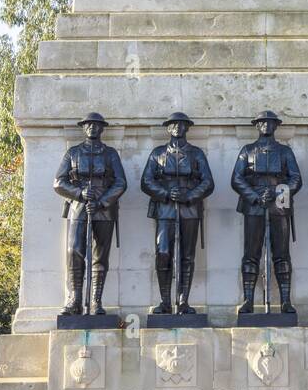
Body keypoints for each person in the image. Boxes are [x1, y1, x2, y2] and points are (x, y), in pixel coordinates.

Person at [54, 112, 127, 316]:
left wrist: (103, 201)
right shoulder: (73, 153)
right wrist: (79, 193)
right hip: (79, 207)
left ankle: (96, 301)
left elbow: (121, 182)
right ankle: (75, 299)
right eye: (89, 125)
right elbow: (59, 182)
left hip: (104, 209)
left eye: (96, 125)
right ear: (84, 128)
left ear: (102, 128)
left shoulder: (110, 153)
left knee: (100, 256)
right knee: (74, 250)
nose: (92, 128)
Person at [140, 112, 214, 315]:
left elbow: (208, 182)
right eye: (173, 125)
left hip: (189, 209)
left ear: (187, 128)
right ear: (168, 128)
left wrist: (190, 195)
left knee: (187, 256)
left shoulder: (196, 153)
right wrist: (165, 193)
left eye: (181, 125)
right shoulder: (158, 153)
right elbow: (146, 181)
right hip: (165, 209)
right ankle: (165, 301)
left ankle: (183, 301)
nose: (177, 128)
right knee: (163, 253)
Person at [231, 110, 302, 314]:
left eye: (270, 123)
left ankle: (286, 301)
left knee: (281, 254)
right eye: (262, 123)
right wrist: (254, 196)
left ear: (275, 126)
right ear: (257, 125)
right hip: (254, 206)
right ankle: (249, 300)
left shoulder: (285, 151)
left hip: (279, 204)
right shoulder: (248, 150)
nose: (266, 126)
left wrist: (277, 192)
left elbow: (295, 178)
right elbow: (237, 178)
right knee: (251, 254)